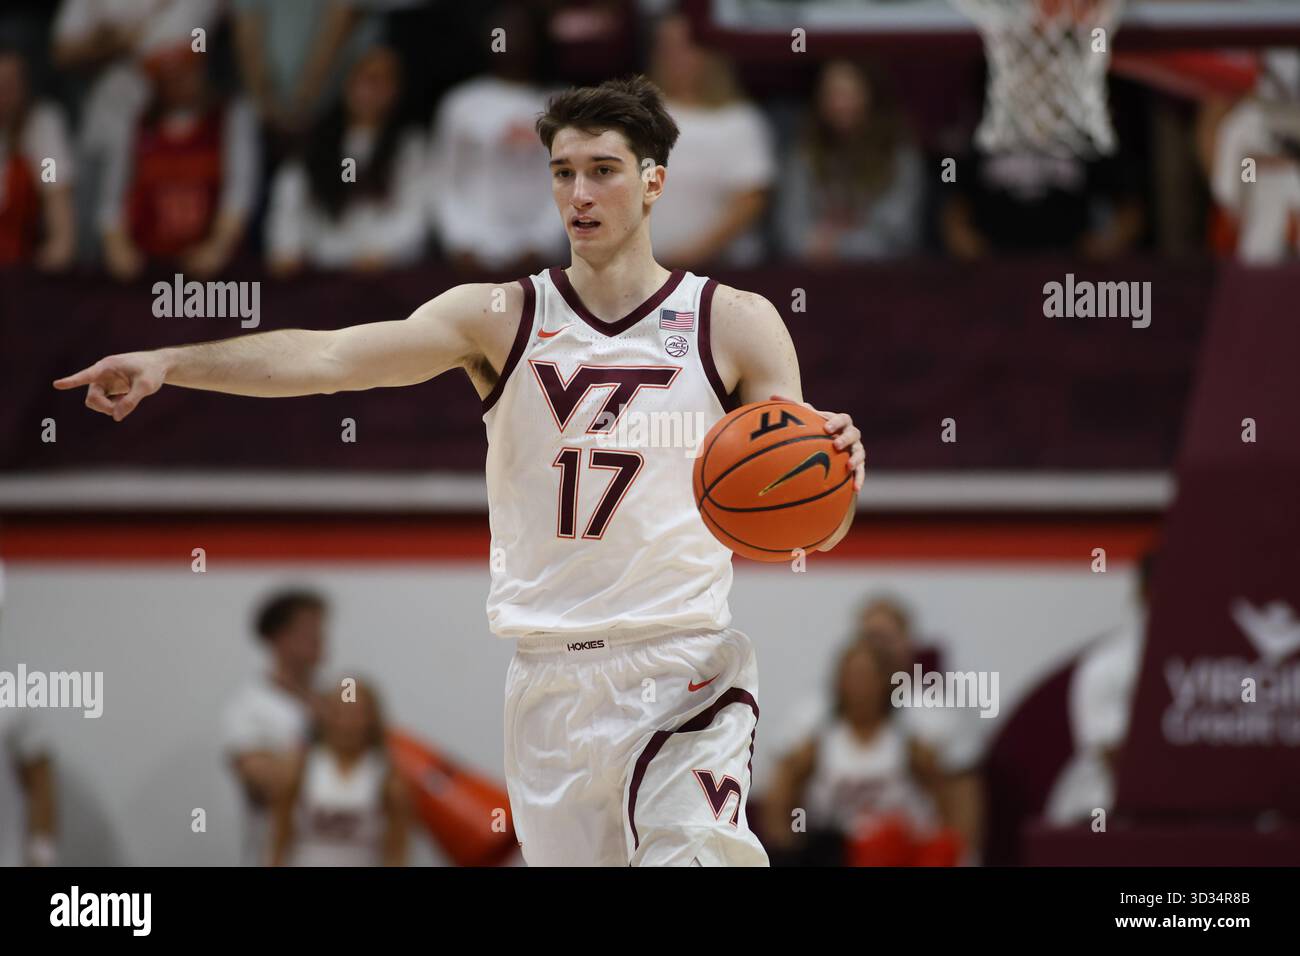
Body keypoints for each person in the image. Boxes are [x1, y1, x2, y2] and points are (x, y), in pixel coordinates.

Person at [54, 73, 866, 867]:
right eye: (563, 173)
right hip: (548, 685)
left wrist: (837, 470)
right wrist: (170, 360)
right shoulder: (498, 316)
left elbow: (802, 503)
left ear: (653, 183)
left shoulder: (736, 322)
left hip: (684, 665)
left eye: (603, 171)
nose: (579, 193)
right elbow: (328, 357)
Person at [763, 637, 962, 866]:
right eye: (853, 676)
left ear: (885, 682)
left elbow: (945, 795)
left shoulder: (906, 740)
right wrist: (784, 840)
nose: (860, 685)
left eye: (868, 676)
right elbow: (783, 788)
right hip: (836, 848)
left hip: (900, 848)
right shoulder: (821, 739)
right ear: (840, 682)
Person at [97, 43, 258, 281]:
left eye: (186, 70)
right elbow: (111, 200)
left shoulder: (230, 119)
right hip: (148, 269)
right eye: (169, 73)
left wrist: (218, 248)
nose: (178, 80)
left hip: (213, 272)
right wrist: (118, 248)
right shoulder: (137, 126)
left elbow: (240, 191)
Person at [266, 45, 427, 275]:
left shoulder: (409, 145)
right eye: (365, 78)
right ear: (347, 83)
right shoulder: (316, 140)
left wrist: (382, 252)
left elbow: (415, 213)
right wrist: (286, 246)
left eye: (382, 81)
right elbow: (289, 200)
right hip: (320, 267)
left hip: (383, 271)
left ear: (396, 90)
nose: (372, 90)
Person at [777, 59, 924, 263]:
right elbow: (790, 228)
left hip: (886, 276)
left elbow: (898, 231)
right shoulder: (804, 151)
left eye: (849, 94)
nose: (839, 104)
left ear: (870, 96)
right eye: (832, 94)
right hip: (814, 275)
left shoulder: (899, 153)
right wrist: (815, 245)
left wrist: (838, 245)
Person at [221, 589, 327, 866]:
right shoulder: (249, 709)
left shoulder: (335, 706)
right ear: (278, 637)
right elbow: (268, 784)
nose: (319, 638)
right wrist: (314, 733)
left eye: (321, 628)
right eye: (308, 629)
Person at [270, 679, 408, 866]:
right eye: (339, 714)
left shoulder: (385, 775)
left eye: (355, 714)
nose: (347, 723)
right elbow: (279, 837)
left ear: (371, 719)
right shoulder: (302, 768)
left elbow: (396, 850)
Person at [0, 46, 77, 271]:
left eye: (11, 84)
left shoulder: (41, 127)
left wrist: (60, 243)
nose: (4, 92)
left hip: (19, 266)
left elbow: (53, 186)